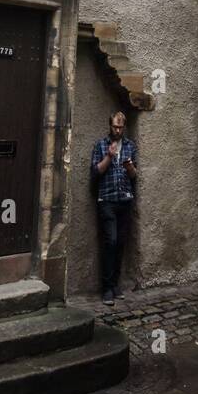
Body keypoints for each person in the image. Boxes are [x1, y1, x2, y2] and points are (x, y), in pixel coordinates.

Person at [90, 111, 138, 305]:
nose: (117, 130)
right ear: (109, 126)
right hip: (107, 200)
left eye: (120, 127)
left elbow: (135, 176)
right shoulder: (100, 145)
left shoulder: (130, 146)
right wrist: (109, 157)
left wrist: (130, 167)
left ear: (124, 127)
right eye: (114, 127)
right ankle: (107, 288)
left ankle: (116, 285)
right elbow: (95, 173)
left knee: (120, 244)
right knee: (110, 241)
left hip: (125, 200)